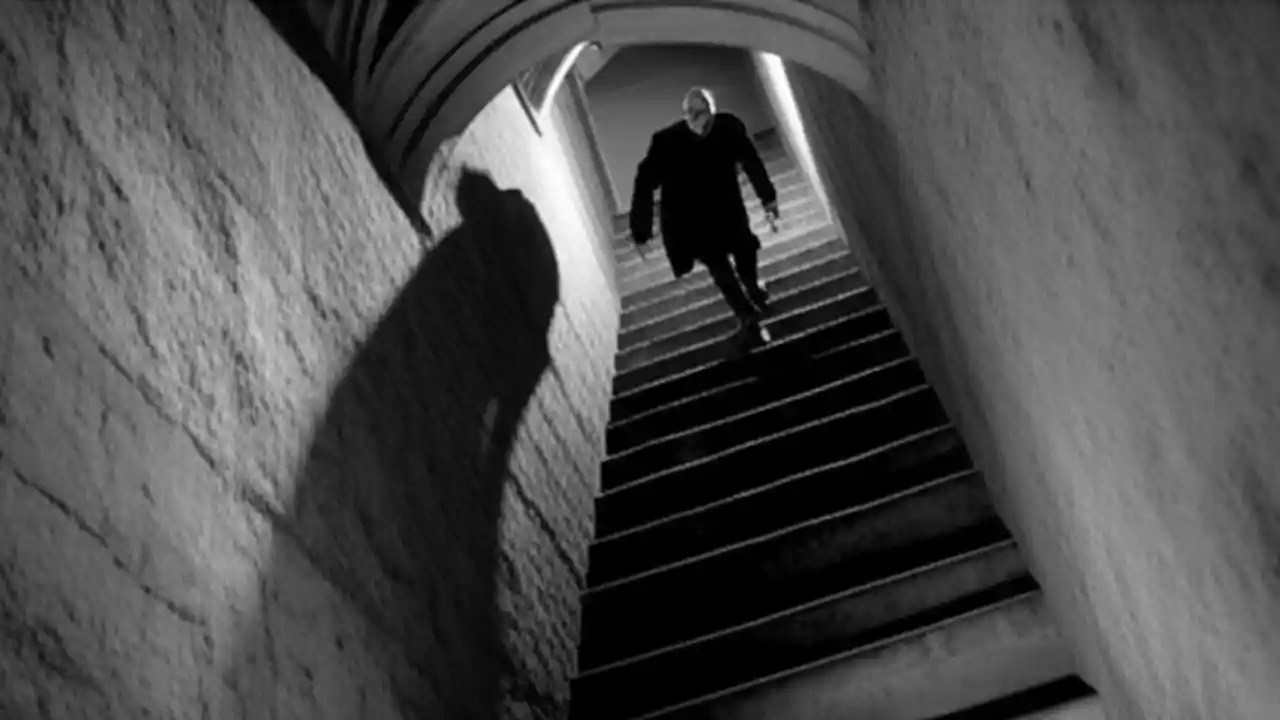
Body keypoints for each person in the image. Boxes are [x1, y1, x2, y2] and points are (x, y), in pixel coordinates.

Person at [629, 86, 781, 343]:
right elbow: (645, 182)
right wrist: (641, 230)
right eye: (689, 113)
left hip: (728, 208)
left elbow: (751, 160)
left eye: (699, 112)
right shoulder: (666, 141)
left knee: (745, 250)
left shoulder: (728, 127)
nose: (694, 118)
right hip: (690, 219)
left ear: (711, 111)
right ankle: (746, 315)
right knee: (719, 267)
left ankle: (753, 287)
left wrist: (767, 197)